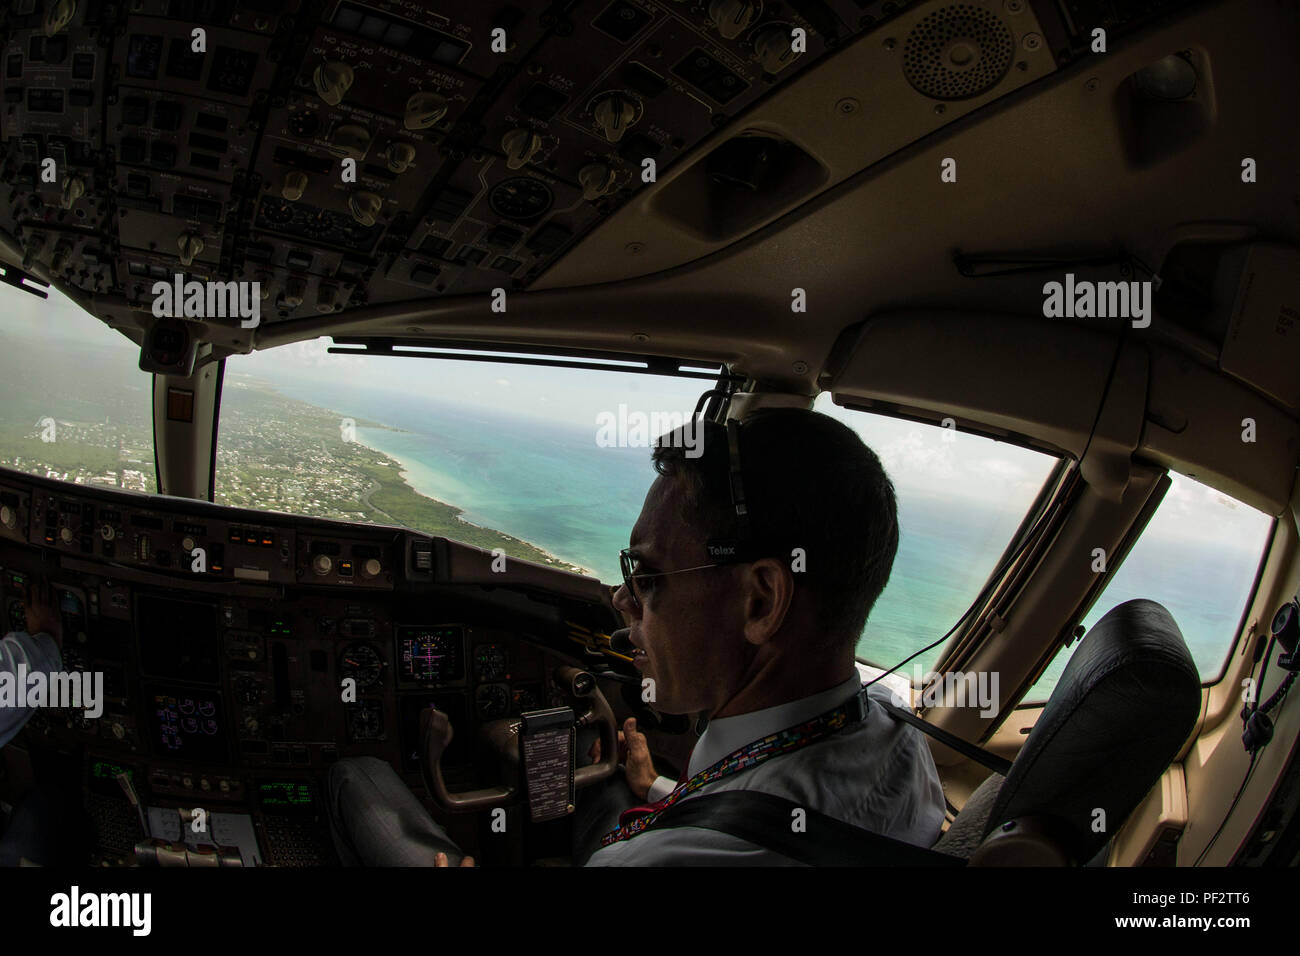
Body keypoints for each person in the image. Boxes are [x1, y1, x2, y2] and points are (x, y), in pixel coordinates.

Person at [327, 408, 946, 865]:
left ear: (760, 600)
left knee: (358, 780)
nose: (623, 600)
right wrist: (659, 787)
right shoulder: (900, 738)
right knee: (605, 789)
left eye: (647, 576)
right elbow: (772, 814)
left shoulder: (666, 859)